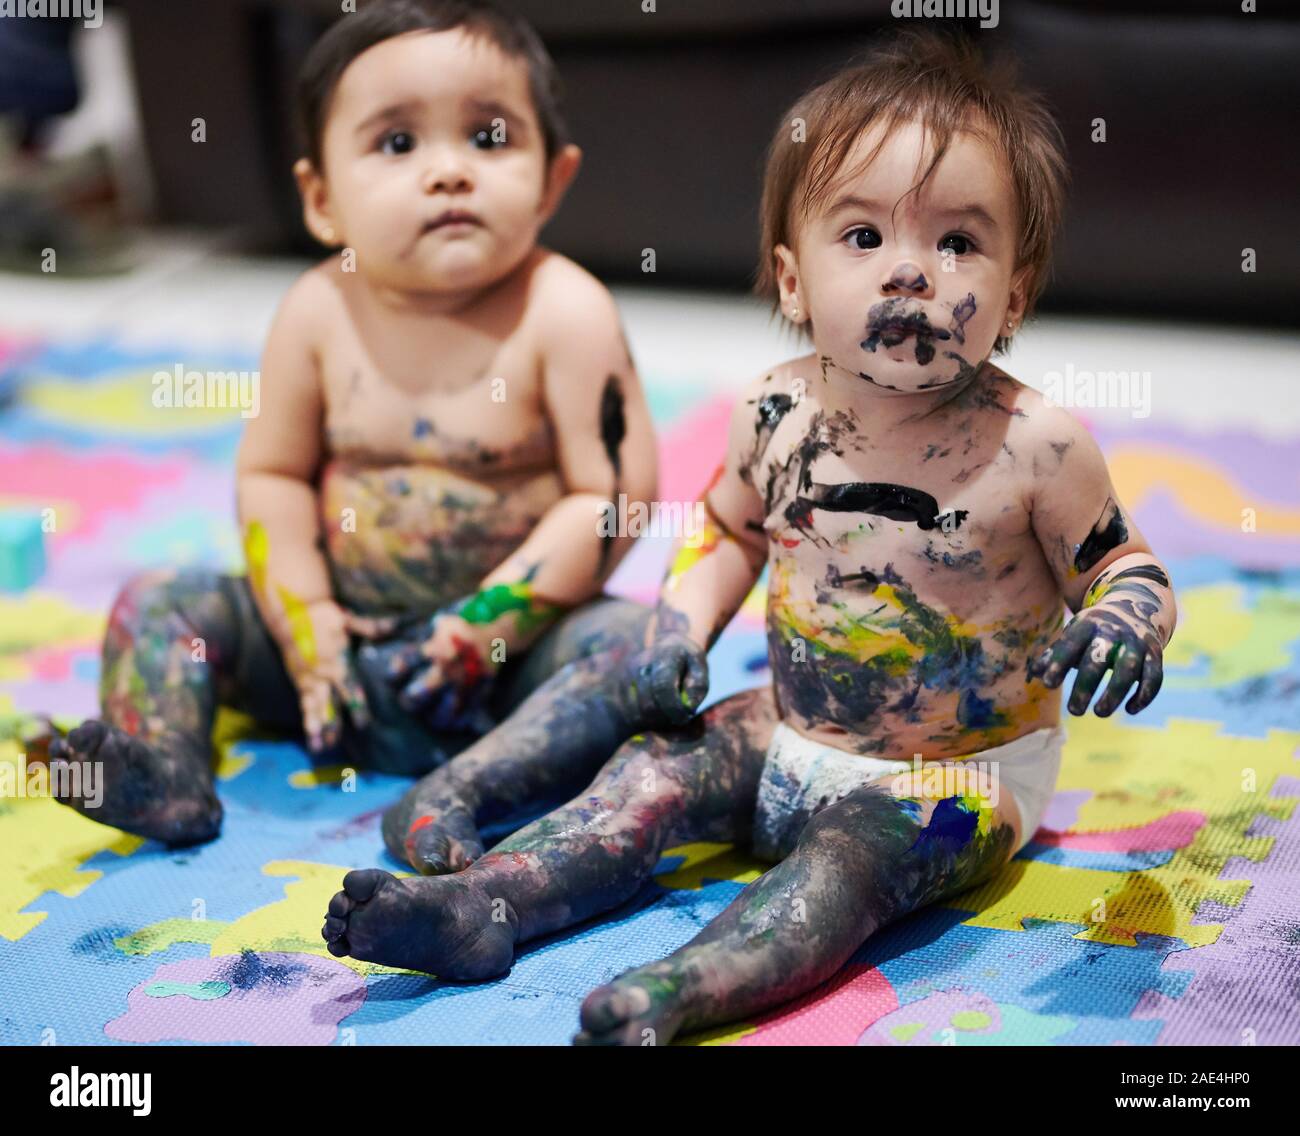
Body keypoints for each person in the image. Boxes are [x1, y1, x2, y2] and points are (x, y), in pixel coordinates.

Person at [321, 30, 1177, 1046]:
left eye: (957, 242)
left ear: (1015, 292)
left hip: (957, 774)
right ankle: (486, 905)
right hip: (784, 722)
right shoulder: (773, 415)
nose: (909, 271)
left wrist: (1128, 619)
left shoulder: (1035, 445)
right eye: (862, 238)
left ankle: (682, 987)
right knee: (646, 772)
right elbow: (728, 527)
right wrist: (677, 623)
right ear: (790, 279)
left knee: (845, 868)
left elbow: (1125, 562)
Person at [39, 0, 674, 846]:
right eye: (397, 143)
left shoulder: (566, 312)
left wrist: (492, 619)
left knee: (636, 648)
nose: (449, 171)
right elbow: (272, 477)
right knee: (162, 601)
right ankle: (169, 772)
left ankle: (469, 791)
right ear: (322, 200)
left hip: (506, 669)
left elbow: (613, 498)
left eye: (489, 137)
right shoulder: (316, 311)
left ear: (554, 179)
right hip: (331, 662)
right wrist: (305, 621)